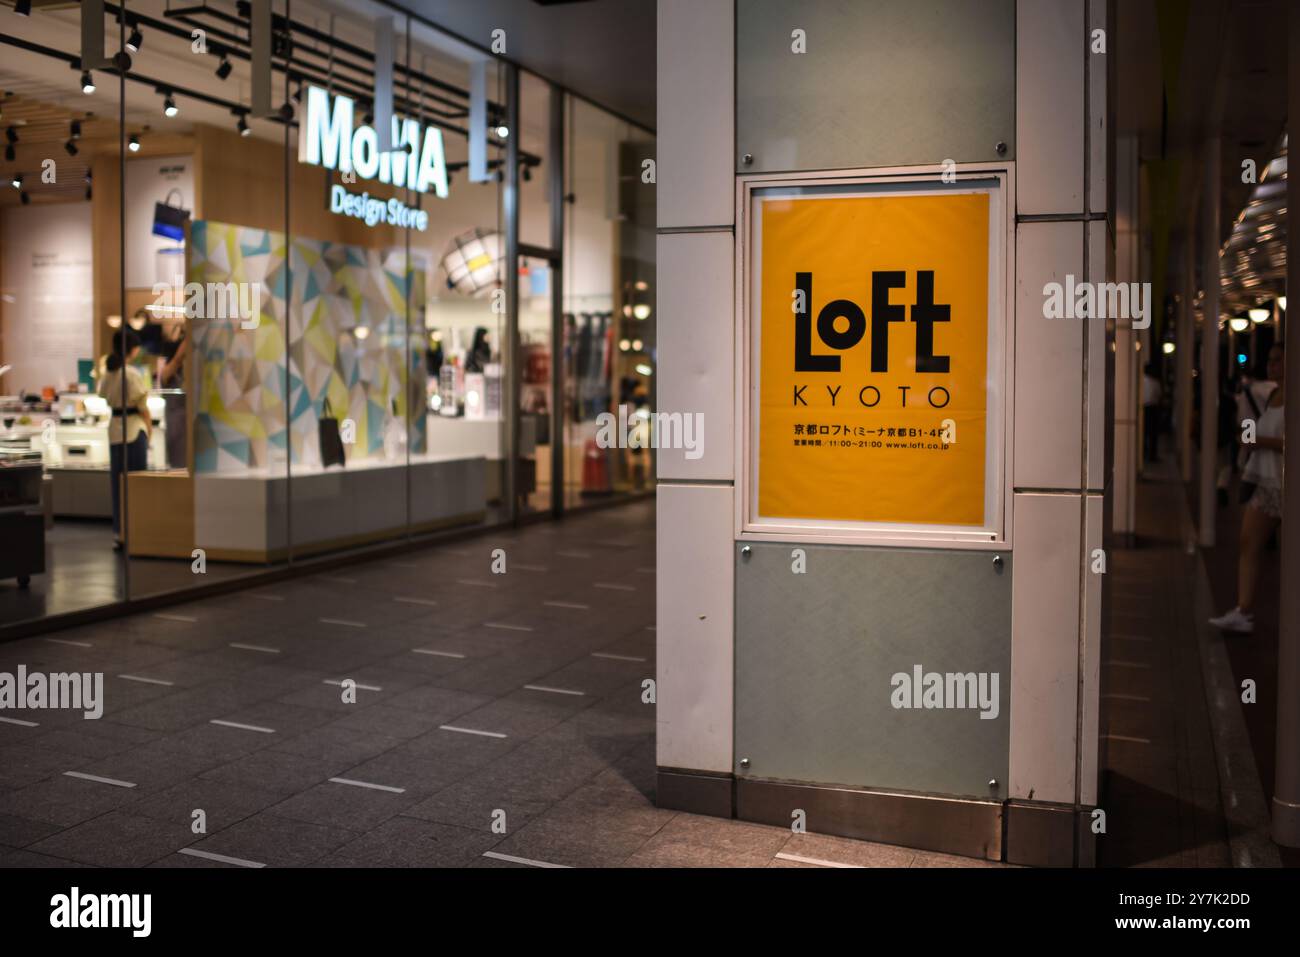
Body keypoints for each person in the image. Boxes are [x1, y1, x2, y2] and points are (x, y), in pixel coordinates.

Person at [1209, 342, 1285, 634]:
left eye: (1278, 360)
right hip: (1267, 483)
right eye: (1270, 360)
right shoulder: (1273, 395)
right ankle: (1243, 609)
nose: (1272, 366)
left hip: (1284, 484)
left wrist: (1258, 442)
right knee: (1248, 542)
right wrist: (1249, 439)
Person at [98, 327, 151, 550]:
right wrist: (149, 429)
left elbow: (101, 395)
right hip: (133, 430)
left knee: (117, 484)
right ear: (133, 348)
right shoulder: (131, 373)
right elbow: (142, 407)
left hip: (115, 431)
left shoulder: (108, 372)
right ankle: (137, 531)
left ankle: (120, 533)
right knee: (136, 484)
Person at [1142, 363, 1163, 462]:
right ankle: (1151, 455)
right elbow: (1159, 395)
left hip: (1146, 408)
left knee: (1145, 432)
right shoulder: (1155, 382)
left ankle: (1146, 454)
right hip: (1152, 408)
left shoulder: (1142, 381)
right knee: (1152, 433)